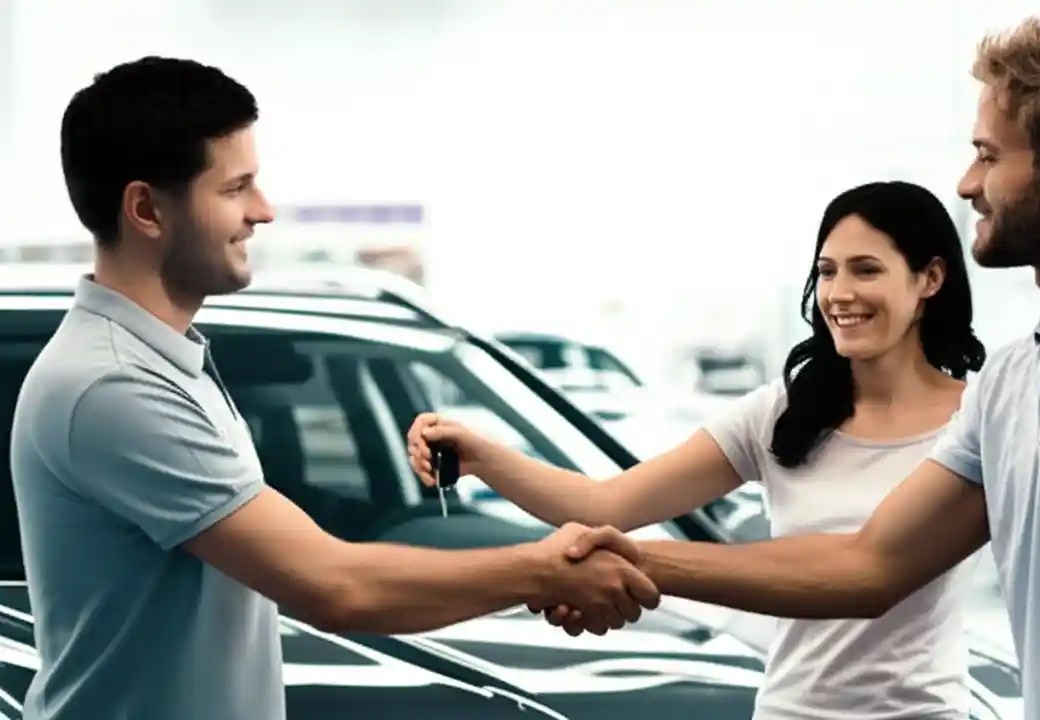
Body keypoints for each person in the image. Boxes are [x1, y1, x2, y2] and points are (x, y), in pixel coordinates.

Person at [518, 17, 1040, 720]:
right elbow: (868, 565)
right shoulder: (1017, 380)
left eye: (988, 154)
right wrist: (636, 559)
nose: (966, 184)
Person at [8, 56, 657, 720]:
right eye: (236, 187)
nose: (263, 211)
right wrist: (544, 569)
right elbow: (333, 585)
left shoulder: (163, 362)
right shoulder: (112, 385)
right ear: (146, 209)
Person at [408, 180, 988, 719]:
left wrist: (635, 566)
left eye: (867, 270)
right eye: (827, 271)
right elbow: (603, 505)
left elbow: (866, 571)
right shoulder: (782, 413)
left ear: (929, 279)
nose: (839, 294)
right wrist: (481, 454)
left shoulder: (979, 421)